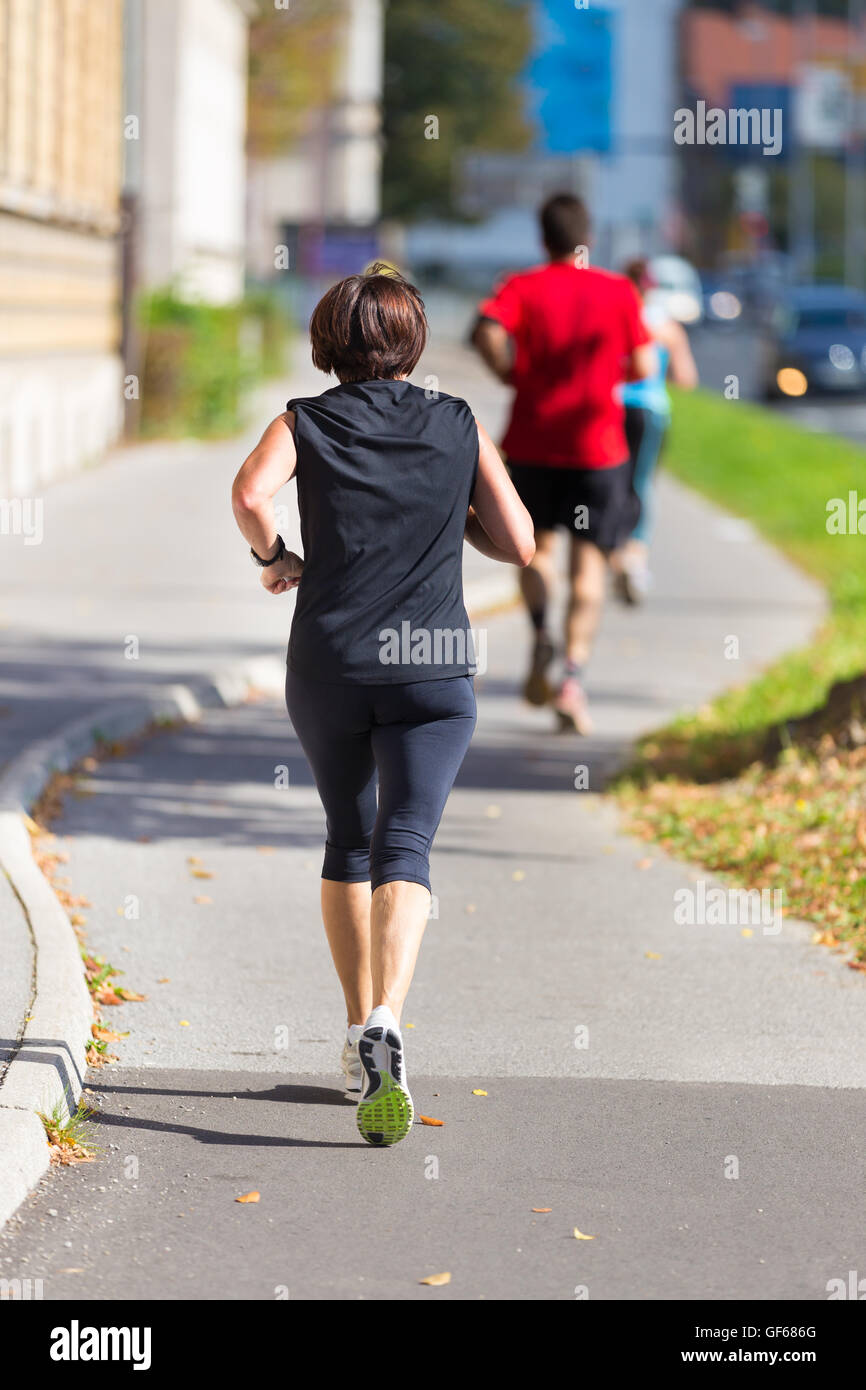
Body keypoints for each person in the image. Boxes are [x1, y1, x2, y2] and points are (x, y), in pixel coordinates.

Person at [232, 265, 534, 1147]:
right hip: (434, 669)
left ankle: (359, 1017)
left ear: (328, 342)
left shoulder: (305, 420)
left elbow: (251, 495)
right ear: (411, 343)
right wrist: (457, 516)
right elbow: (517, 542)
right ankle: (388, 1020)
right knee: (406, 845)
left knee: (345, 835)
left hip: (330, 660)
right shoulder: (457, 421)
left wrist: (276, 558)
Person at [471, 193, 656, 733]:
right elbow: (644, 364)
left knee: (536, 550)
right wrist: (606, 378)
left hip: (532, 444)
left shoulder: (522, 287)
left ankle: (538, 632)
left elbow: (485, 329)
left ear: (542, 237)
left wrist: (509, 373)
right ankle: (572, 680)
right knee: (590, 567)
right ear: (588, 238)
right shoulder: (619, 290)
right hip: (598, 449)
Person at [610, 258, 699, 604]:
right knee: (642, 482)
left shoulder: (616, 318)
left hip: (613, 407)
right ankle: (636, 555)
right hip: (650, 410)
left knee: (614, 479)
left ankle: (613, 552)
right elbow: (686, 379)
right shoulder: (667, 327)